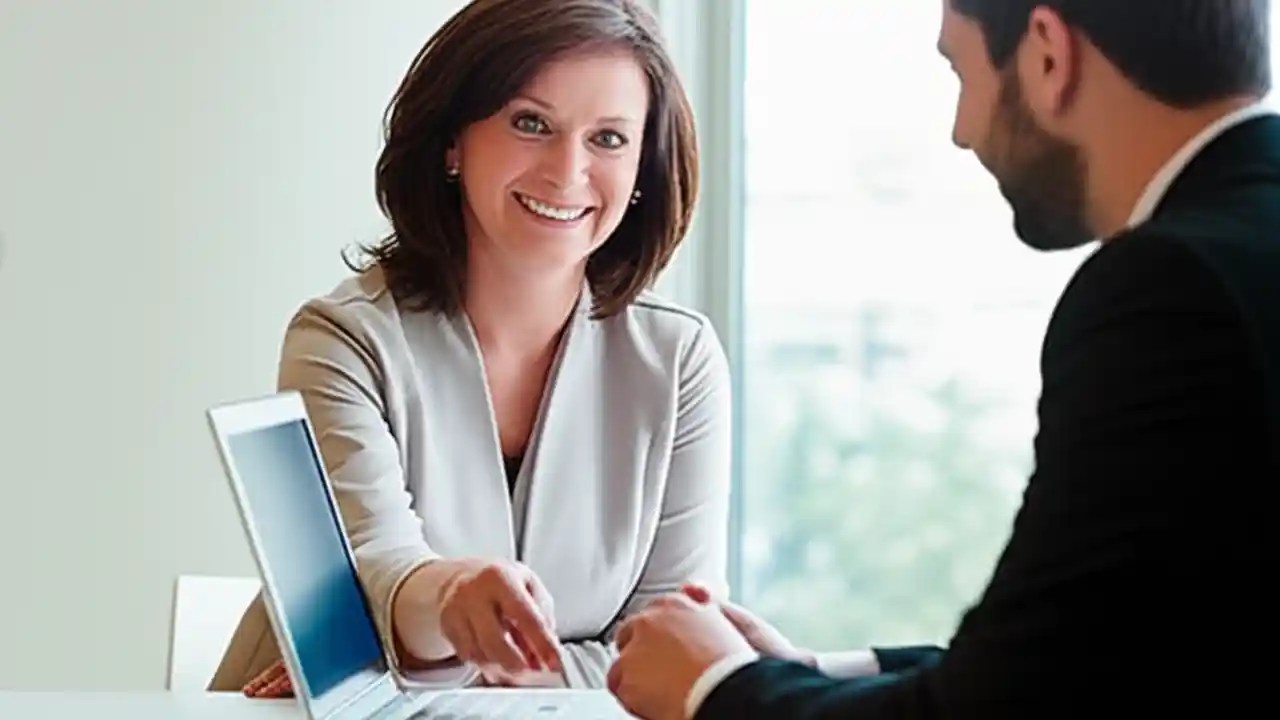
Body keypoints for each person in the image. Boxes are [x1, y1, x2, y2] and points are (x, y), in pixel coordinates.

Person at [607, 0, 1280, 717]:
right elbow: (1098, 649)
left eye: (959, 72)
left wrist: (716, 689)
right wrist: (809, 670)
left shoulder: (1170, 288)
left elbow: (1012, 704)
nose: (962, 133)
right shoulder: (1243, 253)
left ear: (1049, 55)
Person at [208, 0, 733, 696]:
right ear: (453, 142)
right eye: (530, 123)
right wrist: (450, 608)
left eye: (608, 139)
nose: (567, 171)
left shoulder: (680, 361)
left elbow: (676, 654)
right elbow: (382, 579)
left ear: (644, 167)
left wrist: (416, 675)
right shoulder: (341, 341)